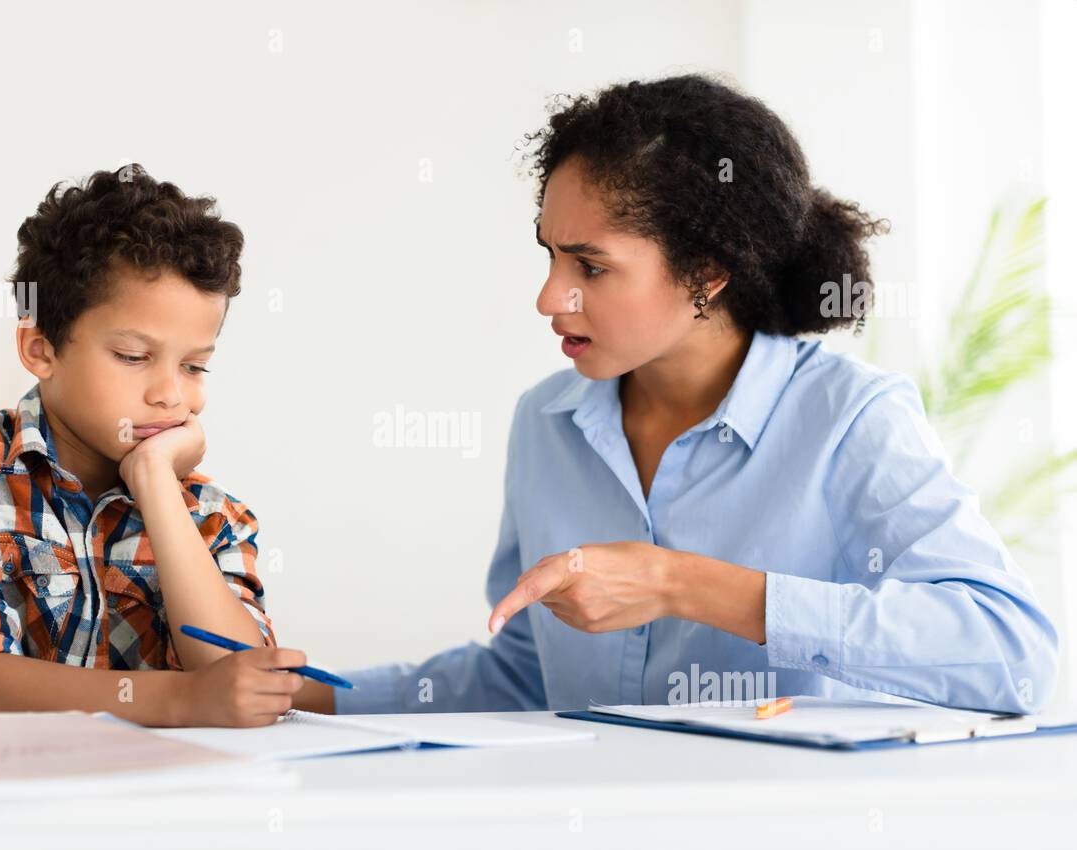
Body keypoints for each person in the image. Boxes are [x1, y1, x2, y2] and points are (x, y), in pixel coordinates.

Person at [295, 74, 1058, 717]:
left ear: (707, 273)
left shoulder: (849, 418)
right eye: (550, 256)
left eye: (590, 268)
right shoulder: (547, 423)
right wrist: (306, 693)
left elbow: (1011, 653)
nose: (549, 298)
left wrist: (681, 583)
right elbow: (527, 675)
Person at [0, 164, 306, 725]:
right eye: (132, 357)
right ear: (41, 349)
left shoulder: (211, 516)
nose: (171, 395)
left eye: (195, 366)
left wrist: (155, 486)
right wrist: (183, 699)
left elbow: (245, 684)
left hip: (161, 802)